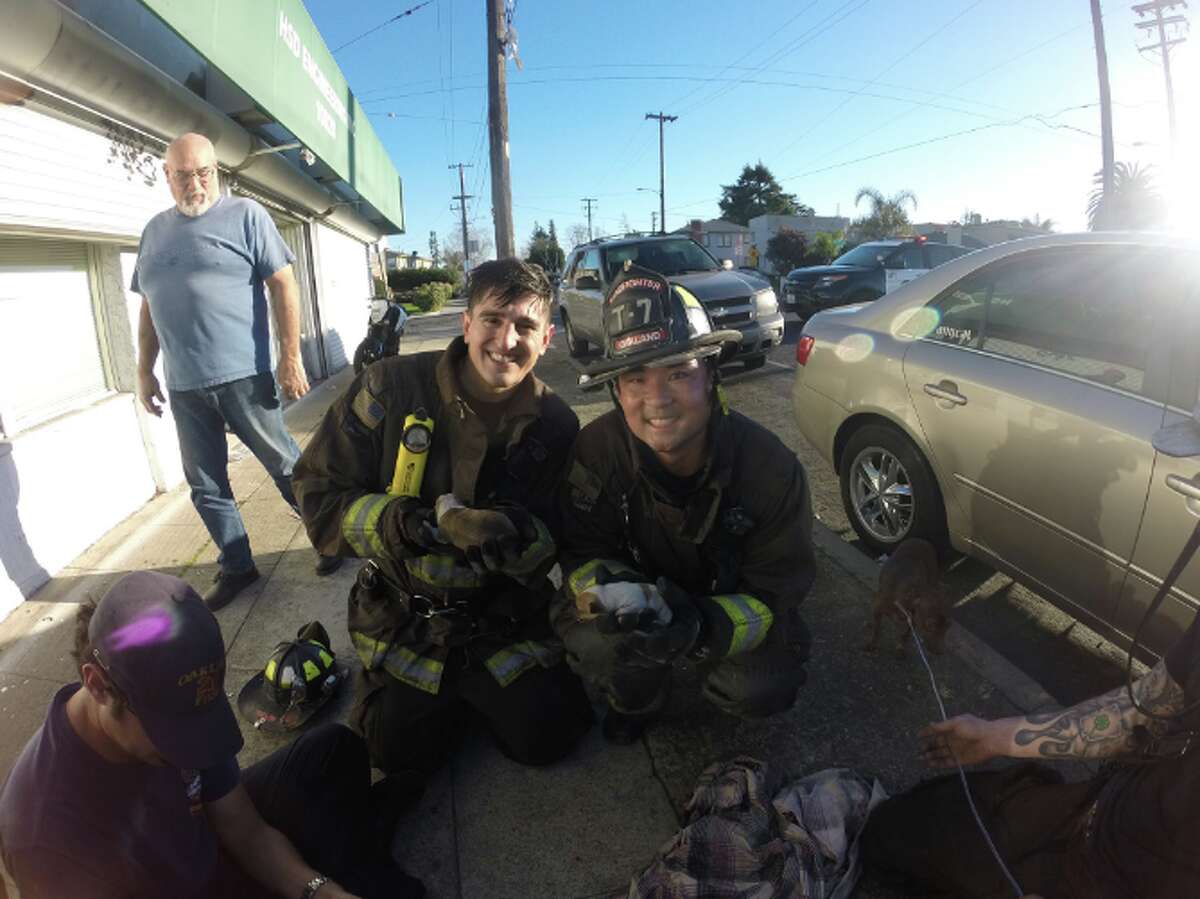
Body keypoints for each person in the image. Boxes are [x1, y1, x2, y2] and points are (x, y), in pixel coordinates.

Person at [862, 403, 1200, 899]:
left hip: (1114, 880)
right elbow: (1147, 708)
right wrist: (1001, 737)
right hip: (1096, 812)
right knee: (895, 830)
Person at [292, 258, 593, 775]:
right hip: (407, 619)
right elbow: (319, 497)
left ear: (547, 339)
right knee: (394, 754)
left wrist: (516, 534)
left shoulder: (557, 426)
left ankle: (476, 697)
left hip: (504, 622)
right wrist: (409, 524)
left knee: (549, 737)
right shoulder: (388, 388)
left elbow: (565, 538)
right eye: (494, 319)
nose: (506, 339)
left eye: (525, 326)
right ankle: (421, 698)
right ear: (467, 324)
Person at [0, 571, 421, 899]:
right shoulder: (46, 836)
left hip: (212, 856)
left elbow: (245, 830)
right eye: (174, 732)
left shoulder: (176, 690)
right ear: (97, 686)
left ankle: (348, 866)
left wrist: (319, 890)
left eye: (199, 720)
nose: (192, 750)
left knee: (333, 750)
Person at [552, 263, 816, 744]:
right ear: (614, 390)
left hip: (720, 614)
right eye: (634, 379)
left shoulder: (770, 469)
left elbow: (778, 595)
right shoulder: (596, 453)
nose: (658, 400)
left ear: (712, 375)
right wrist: (621, 602)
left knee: (761, 684)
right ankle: (639, 696)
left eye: (678, 373)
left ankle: (707, 678)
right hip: (638, 610)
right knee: (592, 640)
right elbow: (578, 555)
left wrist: (701, 626)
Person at [133, 132, 341, 611]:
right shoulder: (153, 232)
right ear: (167, 177)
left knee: (286, 465)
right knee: (206, 485)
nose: (195, 184)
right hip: (184, 385)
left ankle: (328, 538)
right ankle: (237, 565)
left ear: (217, 172)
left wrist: (291, 356)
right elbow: (149, 308)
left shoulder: (245, 216)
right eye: (183, 175)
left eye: (204, 173)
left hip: (244, 377)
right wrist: (144, 370)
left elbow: (284, 285)